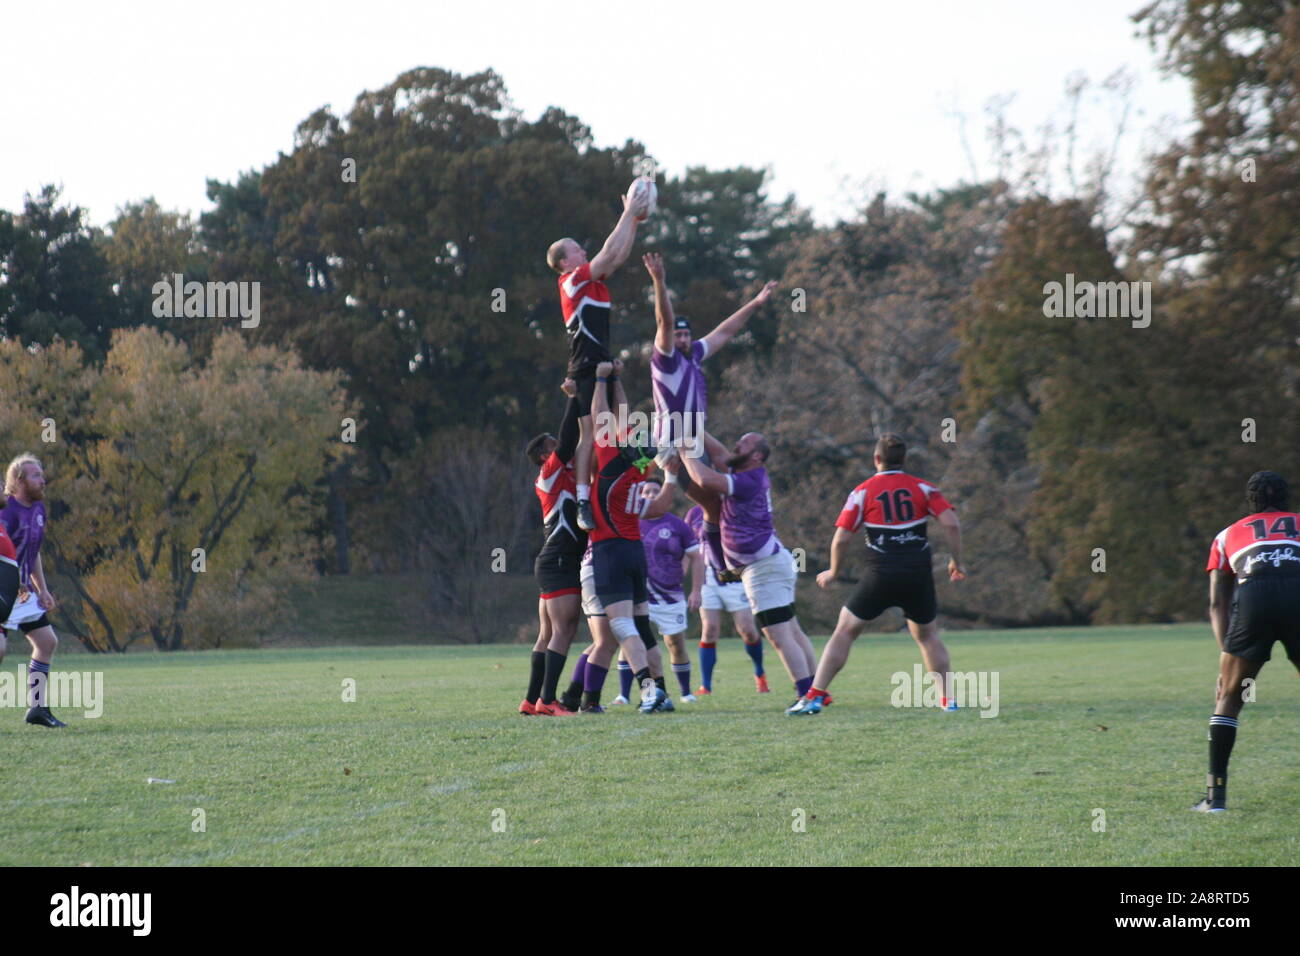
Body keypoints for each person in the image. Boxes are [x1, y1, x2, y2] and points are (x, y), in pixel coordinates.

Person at [788, 434, 966, 716]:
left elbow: (841, 539)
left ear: (876, 459)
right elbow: (952, 524)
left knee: (845, 630)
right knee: (928, 636)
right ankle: (949, 702)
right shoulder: (924, 488)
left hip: (881, 575)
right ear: (904, 460)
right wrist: (957, 562)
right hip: (917, 575)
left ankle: (814, 696)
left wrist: (834, 571)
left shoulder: (863, 491)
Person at [644, 253, 776, 587]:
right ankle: (721, 566)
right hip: (674, 445)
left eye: (688, 335)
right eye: (679, 336)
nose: (683, 340)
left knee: (729, 464)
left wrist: (757, 302)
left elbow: (726, 331)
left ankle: (735, 544)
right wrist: (659, 281)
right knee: (713, 500)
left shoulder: (695, 355)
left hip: (694, 436)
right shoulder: (667, 360)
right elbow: (664, 322)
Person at [680, 432, 817, 703]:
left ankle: (806, 696)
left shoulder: (749, 479)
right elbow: (719, 454)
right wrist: (694, 425)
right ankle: (816, 692)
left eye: (744, 442)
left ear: (756, 456)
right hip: (770, 561)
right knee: (791, 630)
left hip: (764, 567)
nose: (737, 443)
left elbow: (706, 479)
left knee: (778, 635)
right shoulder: (743, 470)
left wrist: (684, 451)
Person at [547, 180, 652, 533]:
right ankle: (581, 501)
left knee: (615, 428)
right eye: (576, 250)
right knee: (589, 434)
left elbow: (618, 255)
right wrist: (627, 212)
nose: (582, 253)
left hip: (602, 365)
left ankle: (608, 486)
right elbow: (608, 253)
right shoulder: (570, 282)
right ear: (564, 261)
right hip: (585, 368)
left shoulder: (594, 284)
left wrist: (634, 221)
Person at [1197, 470, 1300, 812]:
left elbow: (1217, 602)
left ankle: (1215, 799)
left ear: (1250, 501)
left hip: (1253, 597)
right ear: (1287, 498)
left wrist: (1227, 655)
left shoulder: (1227, 535)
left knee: (1230, 698)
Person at [587, 361, 679, 713]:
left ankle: (647, 690)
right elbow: (621, 414)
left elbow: (601, 415)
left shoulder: (611, 461)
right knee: (643, 626)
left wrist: (599, 379)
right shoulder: (643, 467)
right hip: (635, 551)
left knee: (622, 624)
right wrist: (618, 379)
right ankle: (662, 691)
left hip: (609, 551)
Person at [610, 483, 702, 705]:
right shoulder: (629, 523)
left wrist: (696, 591)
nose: (651, 495)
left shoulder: (678, 525)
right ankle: (624, 694)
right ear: (640, 497)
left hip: (670, 596)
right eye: (646, 492)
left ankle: (685, 692)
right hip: (638, 596)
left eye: (655, 492)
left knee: (676, 644)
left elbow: (696, 557)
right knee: (631, 642)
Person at [1, 454, 66, 727]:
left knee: (47, 642)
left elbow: (33, 552)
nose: (43, 480)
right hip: (5, 591)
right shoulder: (7, 511)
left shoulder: (38, 510)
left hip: (24, 594)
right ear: (18, 481)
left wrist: (43, 589)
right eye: (36, 476)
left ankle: (37, 709)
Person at [684, 504, 769, 695]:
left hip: (736, 579)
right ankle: (706, 685)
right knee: (710, 629)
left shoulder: (734, 506)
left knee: (747, 630)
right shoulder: (694, 513)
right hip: (708, 580)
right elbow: (688, 549)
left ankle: (760, 674)